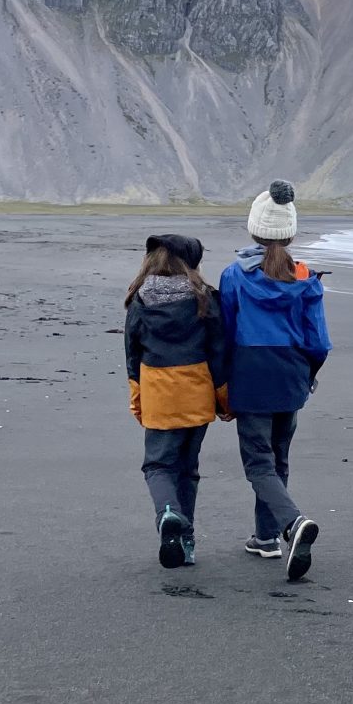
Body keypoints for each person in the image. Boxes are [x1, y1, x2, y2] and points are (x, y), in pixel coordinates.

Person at [219, 180, 331, 581]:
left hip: (251, 373)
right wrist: (308, 376)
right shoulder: (305, 279)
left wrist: (223, 380)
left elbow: (225, 333)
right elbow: (319, 341)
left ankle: (290, 523)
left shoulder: (234, 276)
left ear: (254, 230)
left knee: (258, 462)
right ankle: (265, 537)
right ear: (291, 232)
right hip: (291, 374)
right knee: (278, 457)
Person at [123, 233, 228, 569]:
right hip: (197, 391)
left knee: (158, 465)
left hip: (158, 392)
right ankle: (187, 540)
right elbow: (219, 353)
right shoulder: (205, 299)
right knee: (188, 467)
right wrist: (224, 399)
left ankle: (168, 514)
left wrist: (137, 400)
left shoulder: (139, 301)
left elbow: (132, 356)